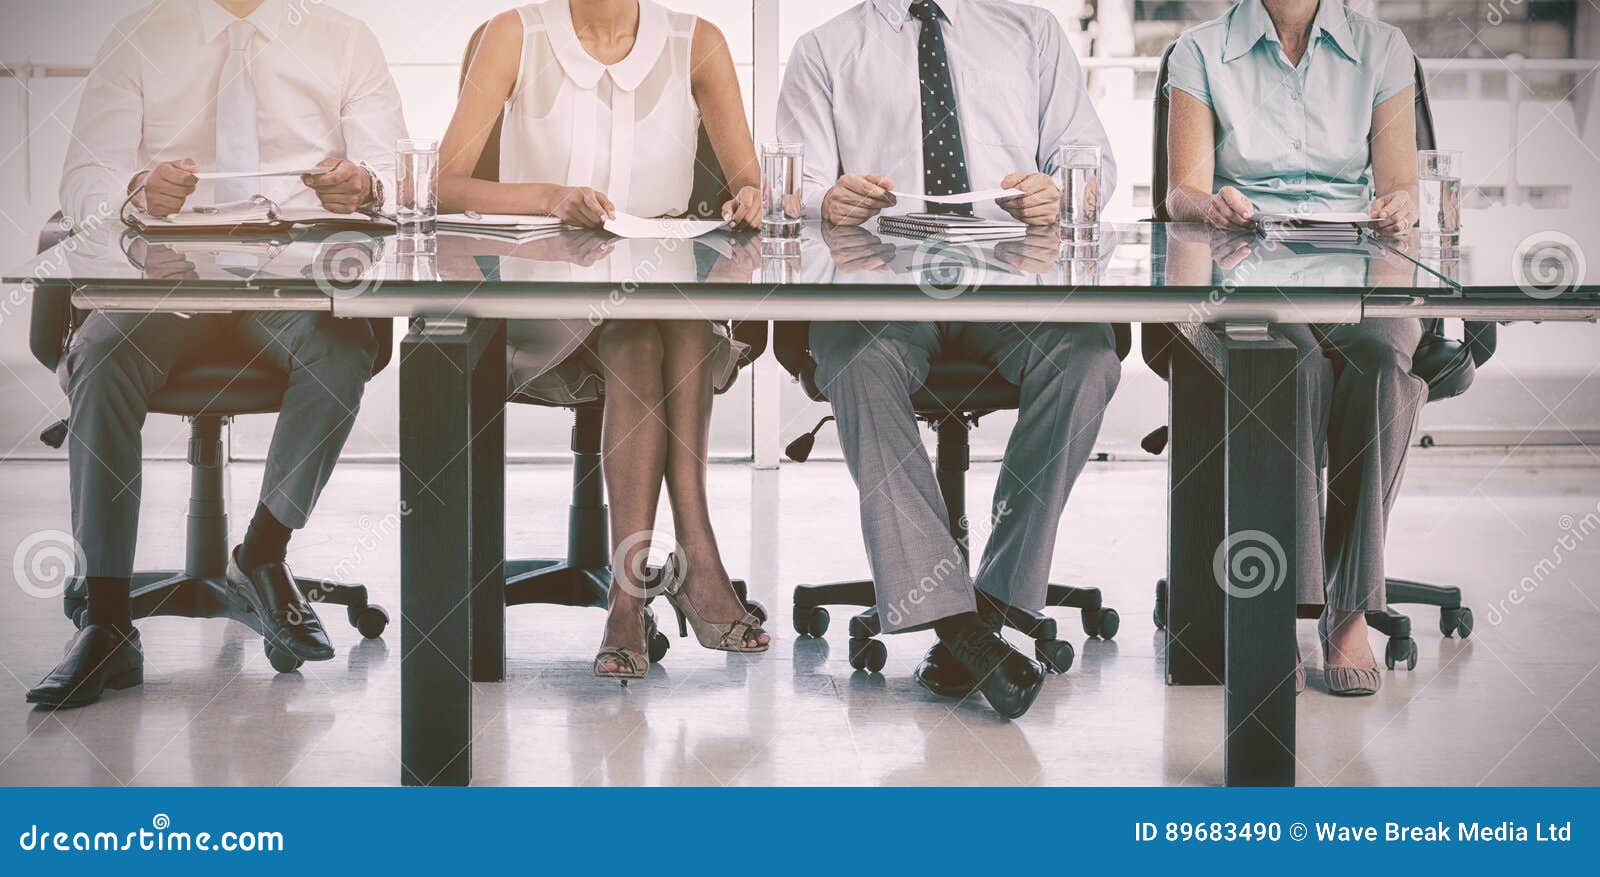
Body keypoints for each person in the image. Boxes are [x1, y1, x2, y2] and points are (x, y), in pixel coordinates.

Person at [28, 0, 406, 709]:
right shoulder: (140, 34)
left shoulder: (345, 40)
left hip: (291, 288)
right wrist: (134, 193)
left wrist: (366, 184)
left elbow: (392, 174)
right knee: (102, 351)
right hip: (168, 284)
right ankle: (107, 621)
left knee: (341, 346)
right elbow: (83, 181)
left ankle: (260, 553)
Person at [777, 0, 1122, 719]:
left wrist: (1056, 189)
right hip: (884, 281)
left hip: (1011, 280)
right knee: (855, 359)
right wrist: (827, 199)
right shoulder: (825, 48)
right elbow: (794, 184)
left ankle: (991, 595)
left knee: (1088, 355)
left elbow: (1088, 157)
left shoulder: (1030, 30)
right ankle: (962, 626)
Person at [438, 0, 770, 682]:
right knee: (647, 330)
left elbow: (748, 179)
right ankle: (689, 564)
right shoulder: (515, 34)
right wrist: (552, 197)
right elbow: (444, 185)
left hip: (660, 288)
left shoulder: (698, 41)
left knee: (656, 326)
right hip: (540, 290)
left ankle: (632, 593)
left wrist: (748, 196)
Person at [1164, 0, 1425, 695]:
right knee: (1292, 369)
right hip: (1245, 264)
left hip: (1356, 267)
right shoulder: (1200, 51)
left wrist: (1401, 204)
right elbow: (1180, 194)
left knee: (1383, 365)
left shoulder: (1382, 49)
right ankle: (1277, 606)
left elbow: (1401, 184)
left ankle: (1349, 610)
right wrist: (1211, 204)